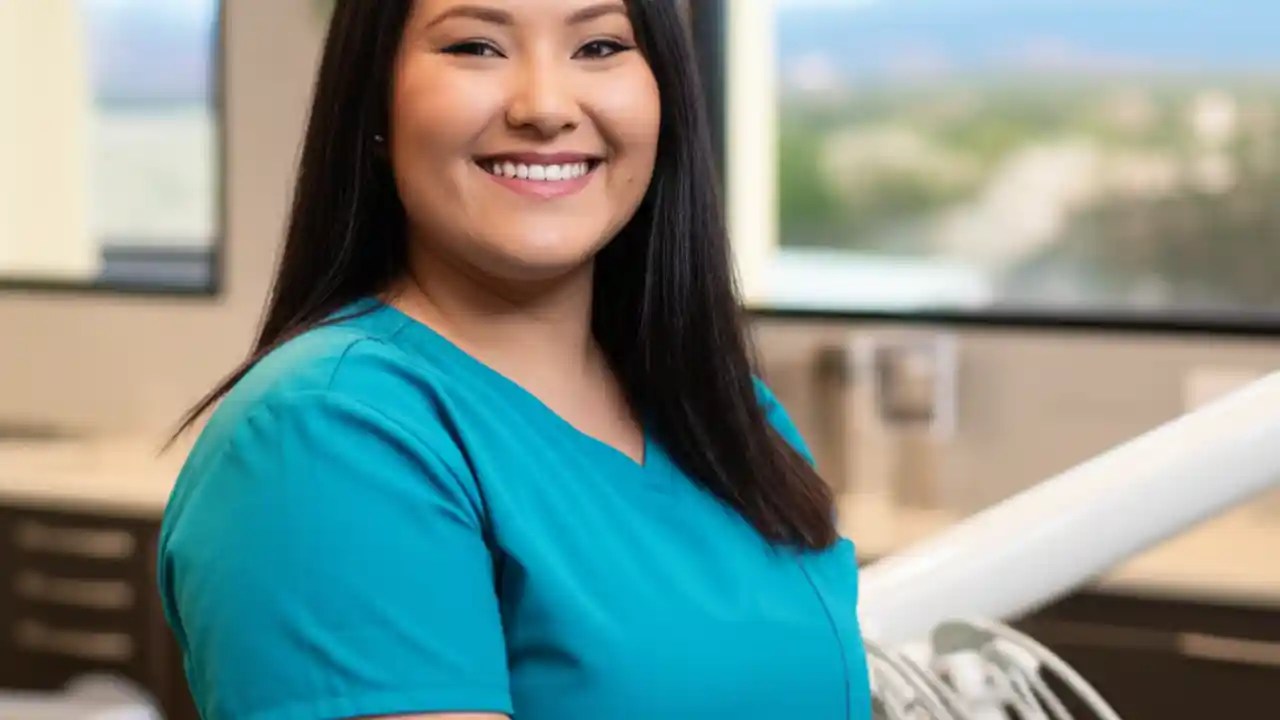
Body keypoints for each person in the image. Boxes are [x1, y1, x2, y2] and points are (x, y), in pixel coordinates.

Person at [158, 1, 873, 718]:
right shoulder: (322, 437)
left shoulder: (727, 416)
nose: (545, 106)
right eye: (476, 46)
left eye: (598, 47)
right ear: (375, 100)